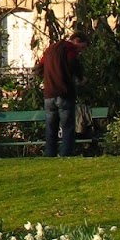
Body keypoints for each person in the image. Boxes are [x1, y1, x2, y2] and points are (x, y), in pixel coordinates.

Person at [35, 29, 86, 157]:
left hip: (49, 94)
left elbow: (39, 68)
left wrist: (48, 78)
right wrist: (80, 78)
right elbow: (73, 63)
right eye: (82, 47)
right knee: (67, 126)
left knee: (51, 126)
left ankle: (50, 154)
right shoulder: (69, 48)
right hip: (64, 92)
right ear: (77, 41)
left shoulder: (50, 49)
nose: (81, 51)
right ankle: (66, 154)